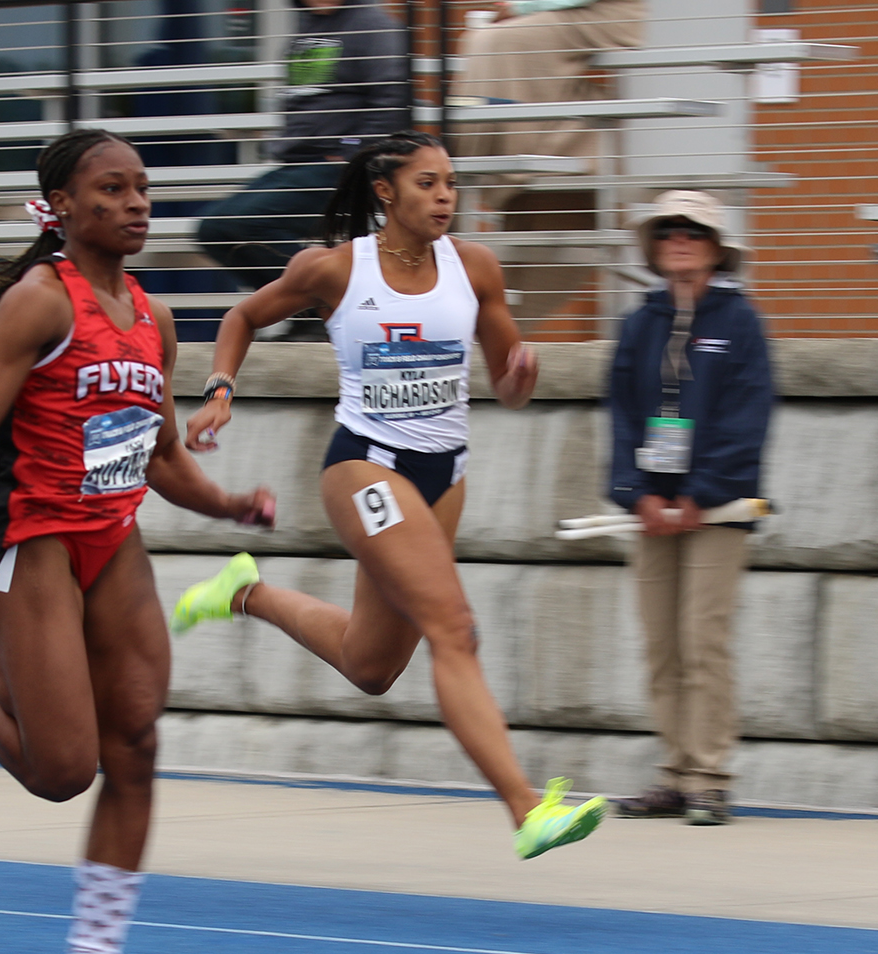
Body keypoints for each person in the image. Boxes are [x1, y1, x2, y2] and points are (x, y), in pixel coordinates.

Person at [0, 128, 275, 954]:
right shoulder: (38, 304)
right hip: (28, 536)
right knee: (62, 770)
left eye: (143, 187)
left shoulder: (154, 317)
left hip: (111, 536)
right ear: (61, 207)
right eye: (112, 189)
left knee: (135, 742)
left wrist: (227, 506)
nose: (137, 203)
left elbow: (159, 455)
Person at [172, 130, 605, 861]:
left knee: (371, 666)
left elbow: (505, 380)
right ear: (386, 193)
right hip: (364, 468)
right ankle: (527, 808)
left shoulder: (475, 268)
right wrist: (220, 390)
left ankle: (245, 593)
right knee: (455, 628)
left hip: (445, 475)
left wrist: (518, 382)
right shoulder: (336, 270)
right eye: (427, 184)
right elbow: (243, 317)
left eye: (451, 184)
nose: (444, 198)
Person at [603, 191, 773, 826]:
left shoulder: (740, 323)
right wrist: (635, 491)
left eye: (693, 231)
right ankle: (674, 772)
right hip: (652, 510)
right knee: (662, 645)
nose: (679, 238)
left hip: (718, 511)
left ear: (716, 248)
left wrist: (699, 494)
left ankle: (710, 777)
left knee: (704, 641)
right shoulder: (640, 322)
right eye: (668, 229)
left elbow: (747, 419)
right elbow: (620, 413)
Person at [195, 0, 409, 325]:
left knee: (231, 224)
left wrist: (349, 152)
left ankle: (328, 302)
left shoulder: (372, 24)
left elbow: (391, 101)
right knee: (213, 228)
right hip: (295, 163)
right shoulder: (307, 25)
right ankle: (318, 308)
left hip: (339, 169)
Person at [449, 0, 645, 320]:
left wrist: (526, 6)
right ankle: (483, 156)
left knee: (501, 41)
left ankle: (483, 157)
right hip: (562, 16)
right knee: (481, 39)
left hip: (625, 10)